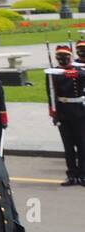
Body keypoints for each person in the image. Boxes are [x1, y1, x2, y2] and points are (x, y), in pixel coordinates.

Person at [46, 44, 85, 186]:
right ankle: (72, 175)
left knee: (82, 145)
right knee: (68, 147)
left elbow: (83, 74)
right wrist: (53, 114)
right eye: (60, 57)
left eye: (65, 56)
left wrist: (74, 73)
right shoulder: (53, 73)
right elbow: (50, 94)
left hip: (79, 112)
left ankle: (82, 174)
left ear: (70, 57)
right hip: (63, 112)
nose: (63, 59)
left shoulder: (78, 70)